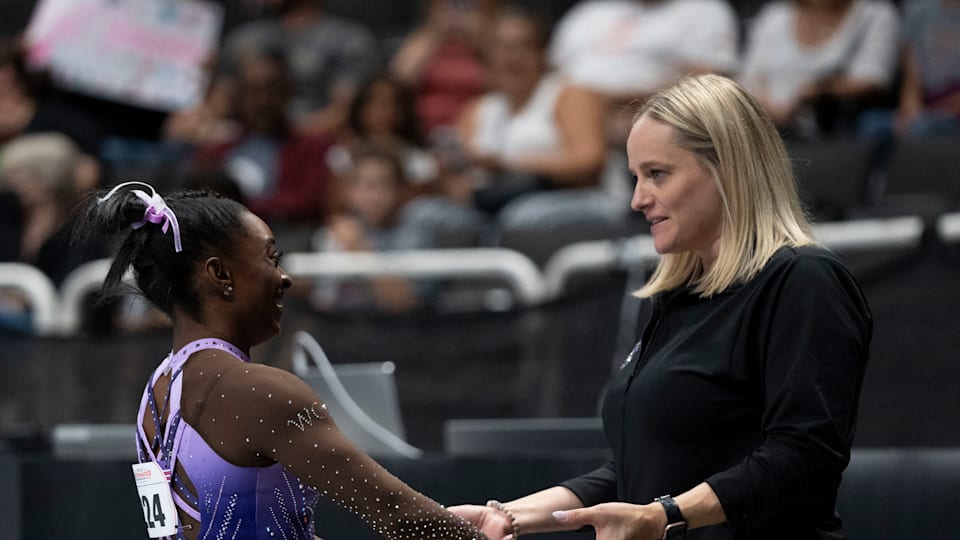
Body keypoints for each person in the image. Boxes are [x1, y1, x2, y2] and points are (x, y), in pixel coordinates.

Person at [449, 74, 873, 539]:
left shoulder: (803, 278)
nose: (637, 199)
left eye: (657, 174)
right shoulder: (677, 298)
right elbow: (640, 472)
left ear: (727, 168)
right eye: (635, 177)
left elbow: (805, 454)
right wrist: (510, 515)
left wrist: (664, 515)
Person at [67, 181, 488, 540]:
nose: (285, 277)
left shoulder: (156, 391)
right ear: (220, 274)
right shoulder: (259, 392)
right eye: (271, 258)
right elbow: (402, 516)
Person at [739, 0, 900, 139]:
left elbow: (872, 80)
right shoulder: (774, 16)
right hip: (763, 126)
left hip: (833, 134)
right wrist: (766, 106)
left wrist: (818, 91)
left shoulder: (874, 16)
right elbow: (747, 79)